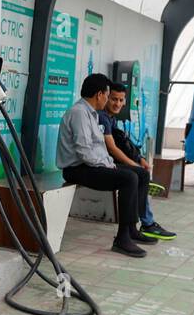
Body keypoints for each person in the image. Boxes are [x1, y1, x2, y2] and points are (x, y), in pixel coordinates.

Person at [57, 73, 151, 257]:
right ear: (99, 94)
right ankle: (122, 239)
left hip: (91, 166)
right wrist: (107, 166)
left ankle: (132, 228)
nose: (108, 100)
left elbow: (98, 149)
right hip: (76, 169)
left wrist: (108, 163)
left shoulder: (90, 114)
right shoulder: (79, 113)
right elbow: (85, 151)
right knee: (128, 178)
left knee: (141, 174)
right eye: (108, 96)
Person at [100, 84, 175, 241]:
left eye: (121, 100)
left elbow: (122, 143)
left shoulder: (111, 119)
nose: (117, 104)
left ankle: (140, 225)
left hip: (108, 162)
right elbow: (112, 149)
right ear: (105, 97)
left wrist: (139, 159)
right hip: (98, 165)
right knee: (137, 176)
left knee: (138, 175)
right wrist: (135, 165)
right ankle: (145, 224)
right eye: (114, 99)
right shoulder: (101, 117)